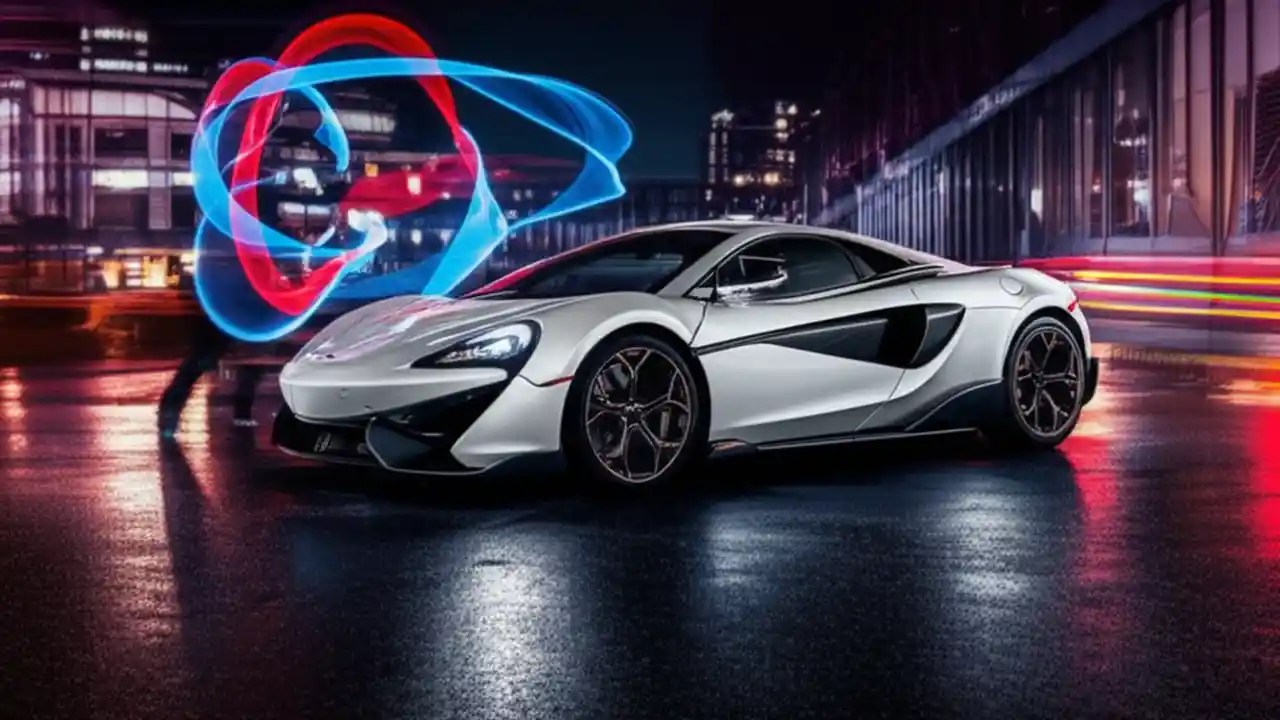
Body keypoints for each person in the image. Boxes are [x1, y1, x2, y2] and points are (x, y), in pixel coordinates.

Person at [158, 306, 263, 438]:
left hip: (216, 314)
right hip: (222, 315)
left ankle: (169, 418)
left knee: (196, 366)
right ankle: (169, 417)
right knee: (199, 363)